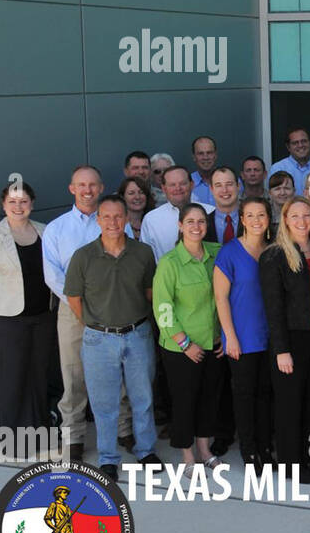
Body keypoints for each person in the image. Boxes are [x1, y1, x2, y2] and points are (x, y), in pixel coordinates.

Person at [64, 195, 160, 478]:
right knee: (104, 404)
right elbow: (74, 297)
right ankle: (108, 458)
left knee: (143, 398)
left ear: (127, 218)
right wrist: (93, 324)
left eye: (118, 216)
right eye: (106, 216)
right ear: (98, 220)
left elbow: (150, 293)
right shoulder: (83, 256)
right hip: (99, 339)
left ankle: (146, 450)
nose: (113, 222)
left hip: (137, 334)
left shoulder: (143, 252)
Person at [0, 180, 54, 448]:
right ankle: (13, 440)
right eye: (12, 202)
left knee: (39, 373)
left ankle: (40, 433)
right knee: (13, 375)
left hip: (42, 315)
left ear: (32, 204)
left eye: (24, 201)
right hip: (4, 319)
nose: (18, 206)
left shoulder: (45, 231)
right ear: (3, 205)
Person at [260, 196, 310, 475]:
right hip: (290, 340)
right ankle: (291, 463)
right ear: (285, 220)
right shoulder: (274, 256)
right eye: (295, 216)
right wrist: (281, 350)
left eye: (306, 215)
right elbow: (273, 308)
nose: (302, 221)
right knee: (290, 404)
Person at [42, 165, 105, 461]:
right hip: (71, 310)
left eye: (92, 185)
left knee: (114, 374)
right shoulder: (57, 228)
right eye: (81, 185)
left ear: (101, 188)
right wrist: (77, 303)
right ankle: (74, 437)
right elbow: (52, 275)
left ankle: (123, 430)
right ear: (72, 189)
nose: (87, 190)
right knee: (73, 374)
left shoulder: (112, 220)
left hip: (111, 309)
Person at [154, 203, 223, 471]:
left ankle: (205, 450)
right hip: (181, 347)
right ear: (180, 226)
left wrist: (224, 336)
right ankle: (187, 455)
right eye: (190, 221)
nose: (196, 226)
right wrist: (185, 344)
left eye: (201, 221)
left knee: (208, 399)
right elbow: (163, 309)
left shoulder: (216, 253)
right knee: (185, 401)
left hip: (213, 342)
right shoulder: (170, 262)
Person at [214, 196, 273, 470]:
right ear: (242, 220)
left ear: (268, 218)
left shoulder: (274, 250)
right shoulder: (229, 253)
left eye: (261, 214)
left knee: (266, 395)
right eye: (250, 215)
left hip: (270, 336)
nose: (256, 220)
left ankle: (265, 447)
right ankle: (249, 451)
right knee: (245, 395)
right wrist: (230, 337)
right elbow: (221, 298)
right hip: (242, 337)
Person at [141, 165, 216, 261]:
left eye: (183, 183)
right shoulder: (151, 220)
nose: (178, 188)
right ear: (163, 188)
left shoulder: (211, 212)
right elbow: (147, 259)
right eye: (172, 185)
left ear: (192, 185)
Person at [269, 127, 310, 194]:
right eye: (295, 143)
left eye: (304, 141)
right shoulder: (277, 168)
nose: (300, 145)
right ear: (288, 147)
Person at [207, 166, 242, 245]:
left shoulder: (251, 221)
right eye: (218, 185)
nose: (224, 190)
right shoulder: (203, 223)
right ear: (211, 189)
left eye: (229, 184)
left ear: (238, 186)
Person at [116, 176, 152, 241]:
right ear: (122, 197)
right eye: (131, 193)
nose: (137, 197)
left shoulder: (154, 222)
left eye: (141, 192)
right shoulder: (116, 225)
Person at [190, 135, 218, 206]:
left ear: (215, 155)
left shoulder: (231, 180)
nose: (205, 157)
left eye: (209, 153)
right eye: (200, 153)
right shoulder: (186, 183)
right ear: (194, 157)